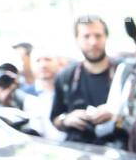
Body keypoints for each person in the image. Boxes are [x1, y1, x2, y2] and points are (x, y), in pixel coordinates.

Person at [50, 15, 126, 146]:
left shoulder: (124, 72)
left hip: (119, 147)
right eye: (86, 36)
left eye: (98, 36)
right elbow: (55, 119)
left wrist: (116, 116)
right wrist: (66, 119)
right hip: (79, 149)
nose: (93, 42)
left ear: (106, 37)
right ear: (77, 40)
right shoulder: (66, 76)